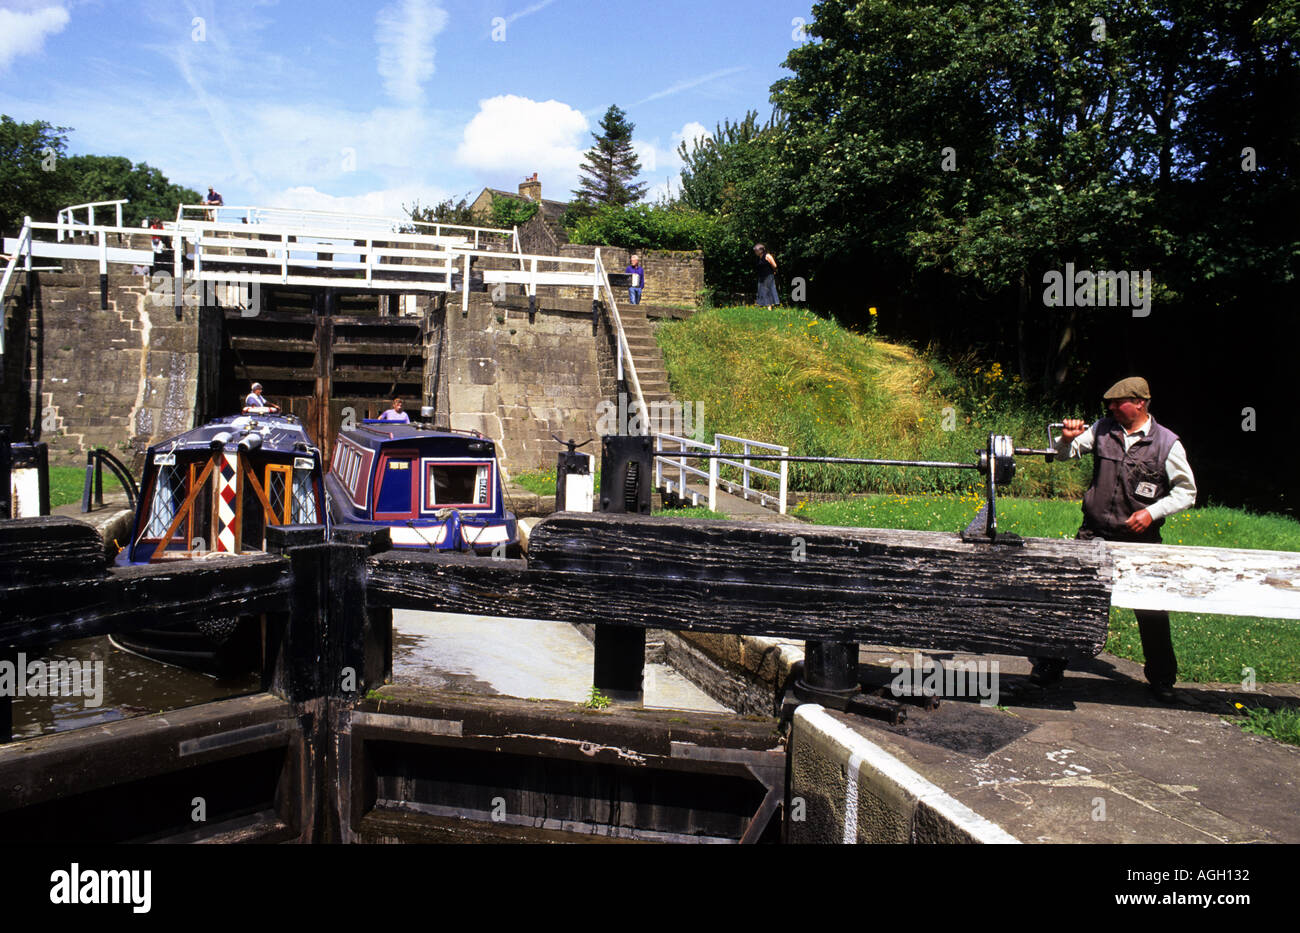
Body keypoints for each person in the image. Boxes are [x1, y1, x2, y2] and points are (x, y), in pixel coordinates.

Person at [1029, 376, 1197, 702]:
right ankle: (1050, 666)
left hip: (1142, 541)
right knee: (1071, 600)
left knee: (1151, 609)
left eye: (1117, 402)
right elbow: (1064, 455)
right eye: (1109, 403)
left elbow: (1187, 492)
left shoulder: (1167, 444)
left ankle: (1162, 679)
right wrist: (1066, 440)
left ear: (1139, 403)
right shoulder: (1103, 428)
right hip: (1093, 533)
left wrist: (1152, 512)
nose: (1110, 407)